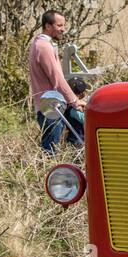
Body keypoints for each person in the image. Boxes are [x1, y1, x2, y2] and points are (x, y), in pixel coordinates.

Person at [29, 9, 86, 152]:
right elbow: (56, 78)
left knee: (53, 146)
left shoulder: (41, 44)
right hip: (50, 106)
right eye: (59, 26)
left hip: (50, 104)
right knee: (50, 151)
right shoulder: (43, 47)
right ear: (48, 26)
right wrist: (74, 101)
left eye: (63, 26)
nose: (63, 29)